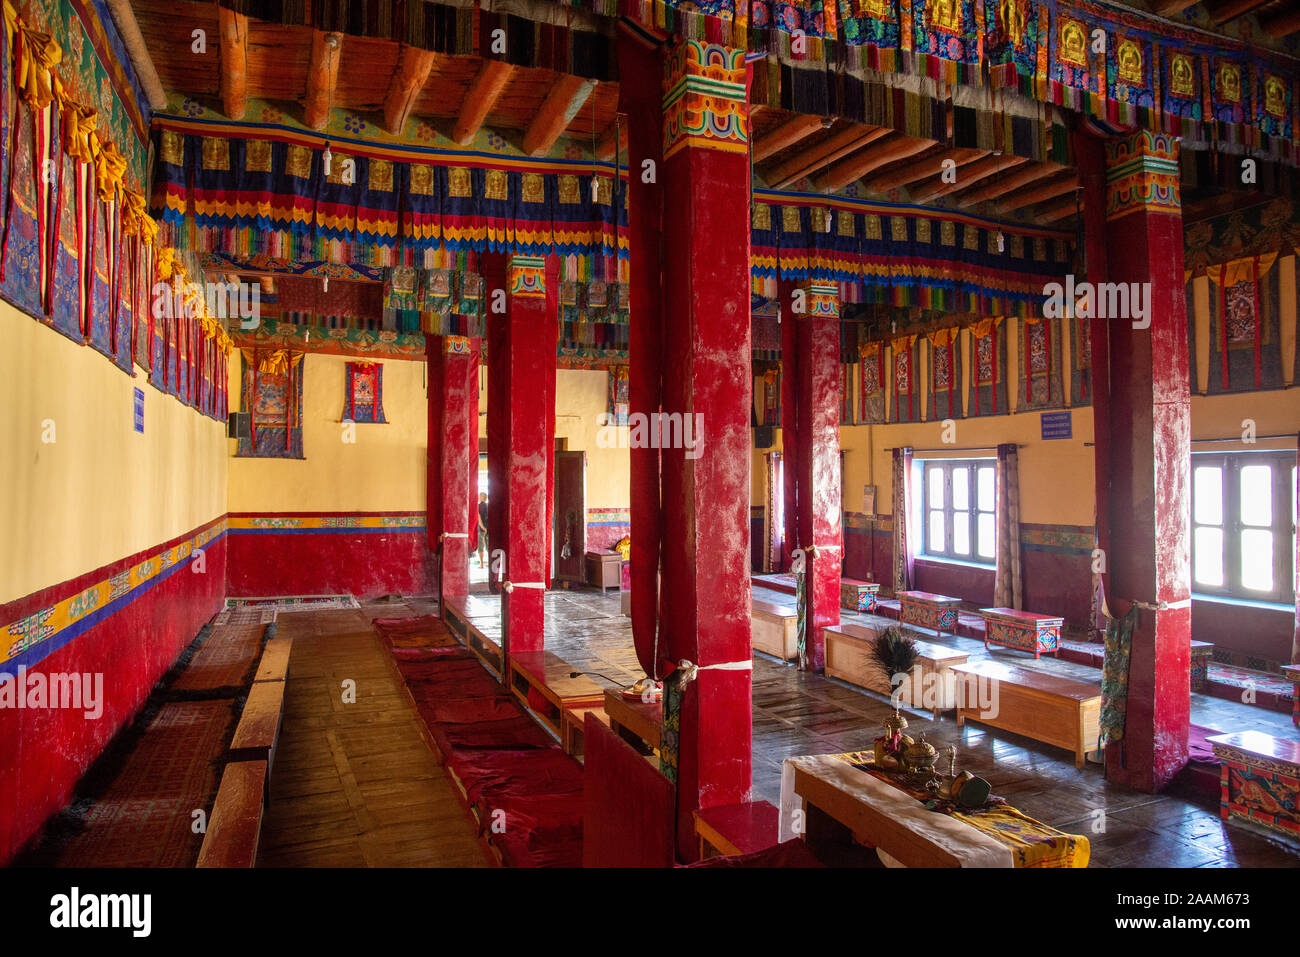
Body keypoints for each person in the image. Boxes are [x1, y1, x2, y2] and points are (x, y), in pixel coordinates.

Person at [476, 493, 489, 568]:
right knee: (488, 546)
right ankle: (489, 563)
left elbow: (479, 517)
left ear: (481, 497)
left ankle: (481, 564)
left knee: (481, 546)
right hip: (488, 528)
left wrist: (482, 527)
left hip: (481, 529)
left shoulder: (479, 506)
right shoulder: (488, 505)